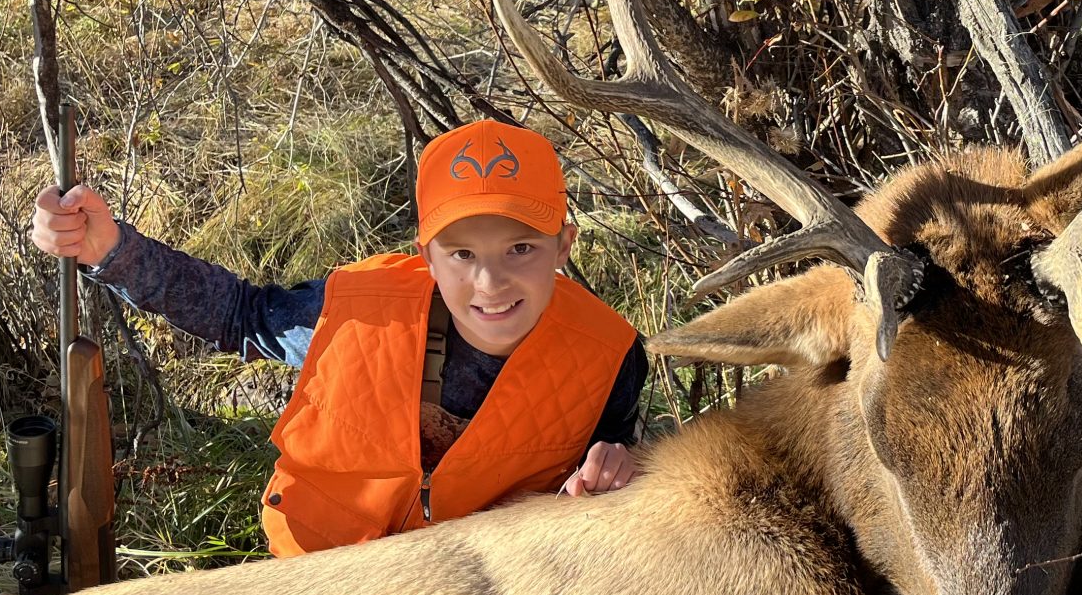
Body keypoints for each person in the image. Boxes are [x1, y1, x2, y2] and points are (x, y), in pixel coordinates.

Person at [31, 119, 645, 555]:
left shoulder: (609, 356)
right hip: (325, 589)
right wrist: (109, 250)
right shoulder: (359, 315)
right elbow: (240, 315)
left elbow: (609, 457)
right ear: (425, 256)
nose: (490, 281)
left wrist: (624, 466)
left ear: (563, 245)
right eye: (462, 253)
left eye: (521, 248)